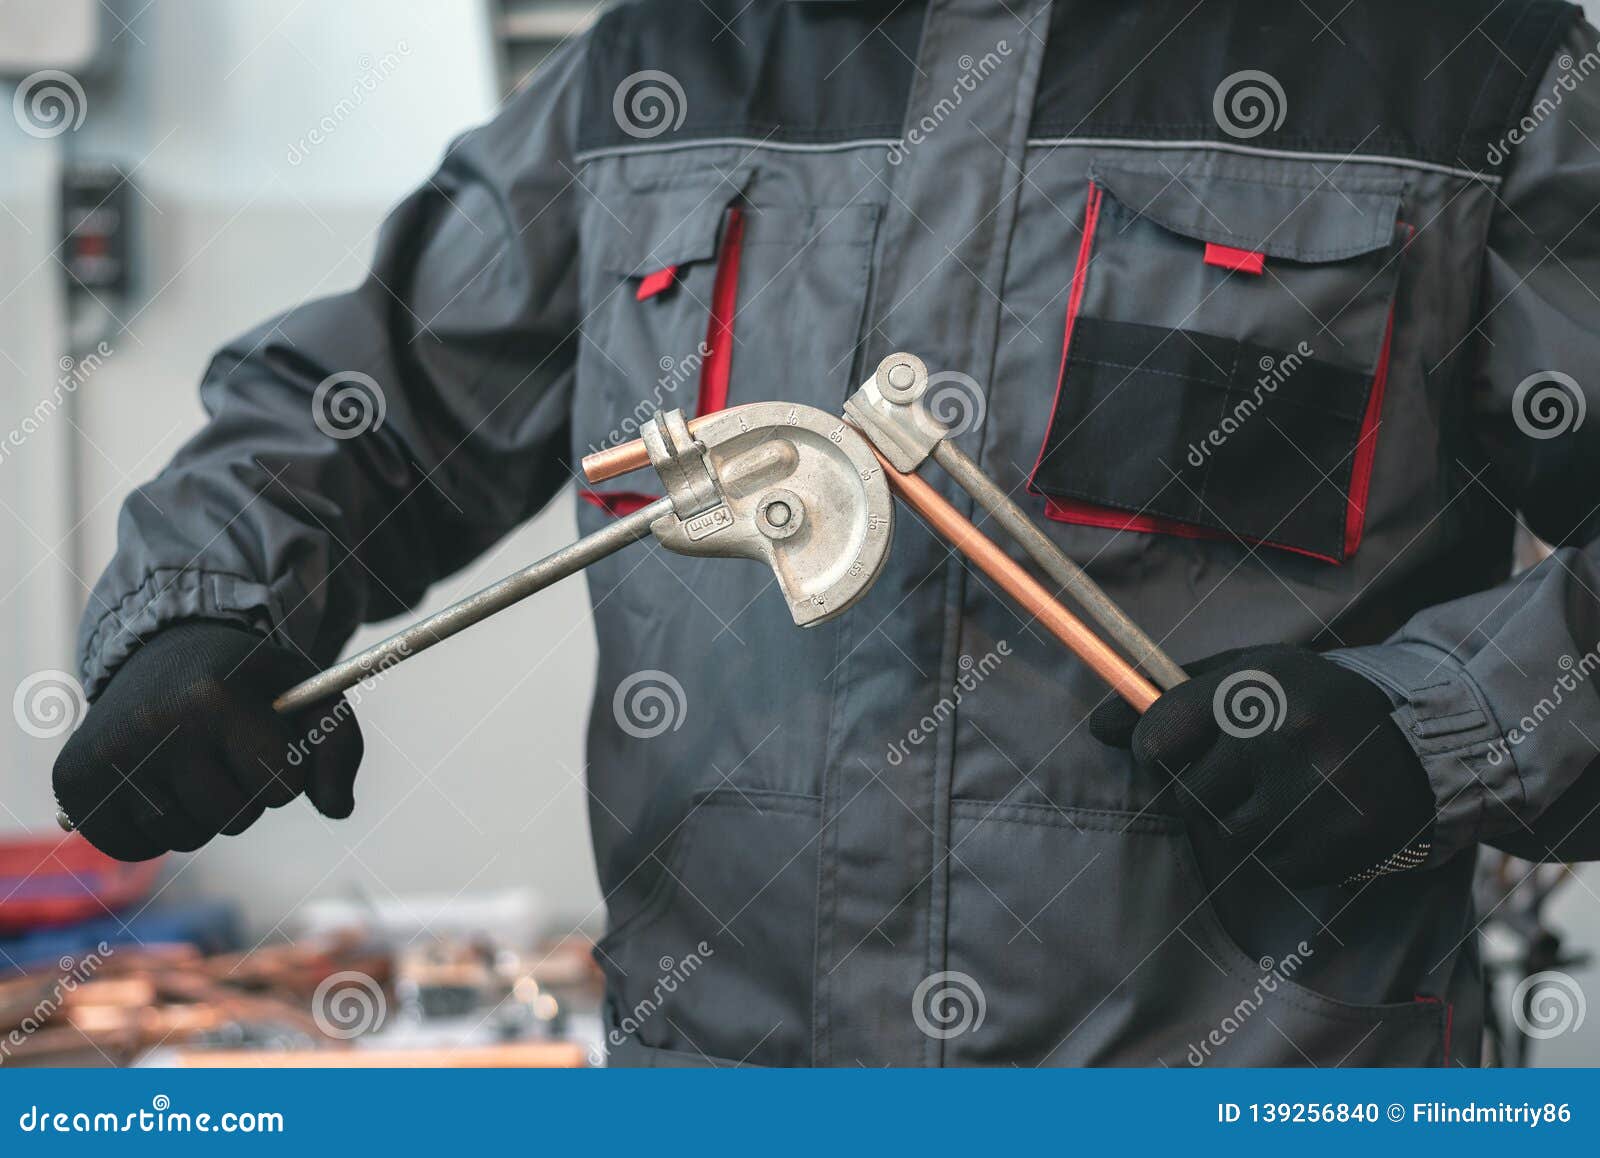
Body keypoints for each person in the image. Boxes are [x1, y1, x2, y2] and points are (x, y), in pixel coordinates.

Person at [51, 1, 1600, 1065]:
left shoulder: (1458, 66)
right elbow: (364, 398)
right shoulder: (668, 63)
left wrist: (1443, 726)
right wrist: (197, 613)